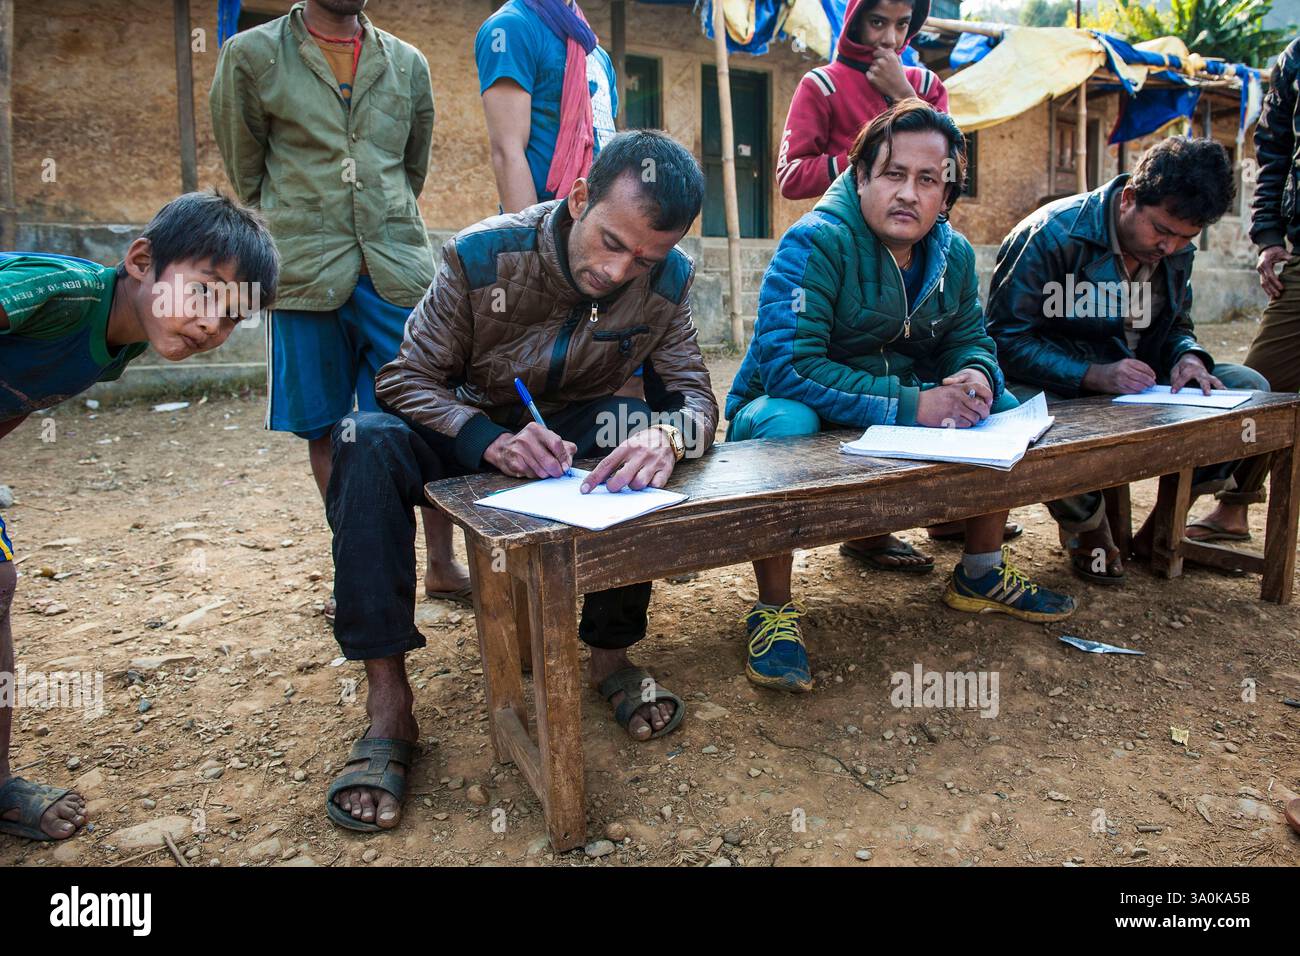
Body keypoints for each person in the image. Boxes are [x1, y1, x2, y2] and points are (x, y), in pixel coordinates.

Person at [323, 131, 715, 831]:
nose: (621, 270)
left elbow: (696, 400)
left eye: (645, 258)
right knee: (365, 441)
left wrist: (668, 435)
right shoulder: (481, 256)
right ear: (579, 198)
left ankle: (611, 656)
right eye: (611, 242)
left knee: (633, 429)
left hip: (567, 441)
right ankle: (389, 702)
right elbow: (405, 379)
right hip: (468, 430)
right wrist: (489, 439)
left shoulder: (669, 281)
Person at [727, 102, 1077, 694]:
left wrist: (974, 376)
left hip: (895, 411)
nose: (908, 194)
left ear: (946, 193)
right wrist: (914, 405)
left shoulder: (954, 254)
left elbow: (971, 336)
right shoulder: (815, 243)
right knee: (789, 419)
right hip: (788, 410)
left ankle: (981, 574)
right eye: (893, 174)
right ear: (860, 175)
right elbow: (789, 369)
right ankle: (774, 610)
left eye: (928, 180)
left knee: (1001, 406)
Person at [0, 191, 278, 841]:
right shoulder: (59, 290)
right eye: (207, 294)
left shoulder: (117, 345)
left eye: (234, 318)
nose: (214, 326)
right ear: (142, 260)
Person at [210, 0, 467, 617]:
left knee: (425, 413)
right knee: (325, 426)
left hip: (396, 268)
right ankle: (360, 572)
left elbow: (413, 165)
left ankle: (440, 564)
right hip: (301, 270)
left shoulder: (407, 63)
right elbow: (246, 172)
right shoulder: (251, 55)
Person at [985, 137, 1268, 584]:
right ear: (1130, 198)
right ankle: (1088, 528)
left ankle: (1164, 525)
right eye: (1162, 230)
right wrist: (1092, 374)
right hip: (1063, 384)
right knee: (1025, 415)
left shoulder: (1175, 250)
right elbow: (1004, 340)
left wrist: (1188, 358)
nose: (1170, 248)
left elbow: (1178, 323)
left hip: (1144, 384)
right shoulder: (1052, 234)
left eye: (1185, 238)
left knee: (1252, 390)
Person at [1192, 37, 1300, 543]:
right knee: (1263, 385)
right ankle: (1233, 504)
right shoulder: (1295, 60)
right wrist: (1269, 236)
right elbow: (1274, 151)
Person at [776, 0, 947, 202]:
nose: (890, 39)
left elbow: (951, 172)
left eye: (902, 24)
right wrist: (862, 157)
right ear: (855, 21)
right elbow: (791, 179)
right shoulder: (823, 85)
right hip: (849, 228)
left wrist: (905, 96)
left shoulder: (926, 85)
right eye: (877, 22)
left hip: (918, 228)